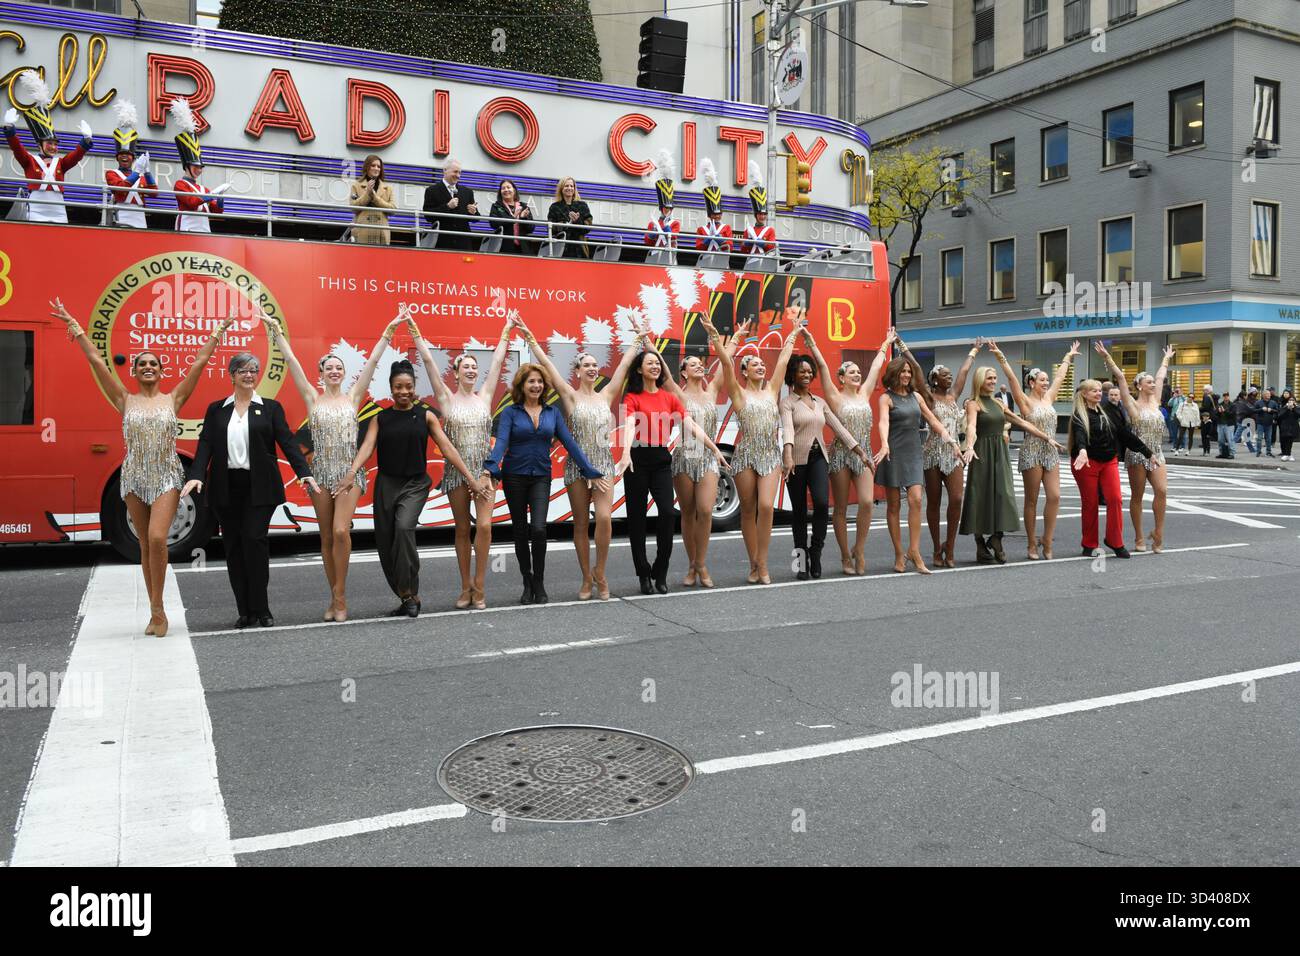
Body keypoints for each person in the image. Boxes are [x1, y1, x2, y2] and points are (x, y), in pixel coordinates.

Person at [50, 299, 231, 637]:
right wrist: (76, 329)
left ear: (162, 372)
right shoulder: (124, 399)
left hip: (166, 477)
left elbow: (200, 363)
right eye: (142, 364)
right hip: (133, 477)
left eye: (153, 364)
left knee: (158, 538)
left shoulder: (174, 399)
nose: (148, 367)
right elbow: (97, 363)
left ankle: (160, 610)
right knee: (145, 546)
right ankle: (154, 611)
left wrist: (218, 332)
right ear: (134, 372)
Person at [259, 306, 405, 622]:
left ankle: (339, 596)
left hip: (350, 475)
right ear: (321, 374)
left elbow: (374, 361)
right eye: (329, 367)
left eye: (339, 367)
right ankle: (336, 597)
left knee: (341, 531)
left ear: (344, 373)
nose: (335, 371)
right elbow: (292, 362)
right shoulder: (313, 399)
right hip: (320, 475)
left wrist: (389, 329)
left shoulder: (353, 397)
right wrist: (276, 332)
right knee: (325, 536)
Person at [184, 351, 318, 629]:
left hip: (260, 488)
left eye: (253, 370)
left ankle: (262, 609)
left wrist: (303, 473)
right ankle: (245, 611)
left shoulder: (270, 408)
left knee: (254, 543)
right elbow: (206, 444)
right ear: (231, 375)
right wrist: (196, 475)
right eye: (243, 370)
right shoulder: (216, 409)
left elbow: (288, 443)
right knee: (233, 548)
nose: (249, 375)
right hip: (225, 488)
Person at [516, 316, 646, 600]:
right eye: (586, 365)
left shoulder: (607, 394)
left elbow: (624, 365)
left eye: (594, 365)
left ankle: (601, 572)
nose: (591, 368)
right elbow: (548, 367)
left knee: (604, 518)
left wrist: (637, 339)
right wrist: (528, 336)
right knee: (580, 524)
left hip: (602, 466)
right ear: (577, 371)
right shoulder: (570, 396)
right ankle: (586, 578)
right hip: (576, 467)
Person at [351, 360, 487, 618]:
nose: (403, 391)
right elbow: (367, 447)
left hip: (414, 484)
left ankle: (409, 591)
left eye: (408, 386)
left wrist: (470, 478)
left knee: (404, 528)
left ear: (414, 388)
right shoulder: (381, 417)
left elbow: (448, 448)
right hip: (386, 485)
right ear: (391, 388)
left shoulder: (425, 416)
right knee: (385, 542)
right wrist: (351, 473)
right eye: (398, 387)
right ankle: (406, 596)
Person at [411, 314, 516, 609]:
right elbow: (430, 364)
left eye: (474, 367)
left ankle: (480, 586)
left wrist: (506, 330)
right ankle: (465, 586)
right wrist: (416, 333)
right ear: (455, 374)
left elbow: (497, 363)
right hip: (457, 474)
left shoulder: (484, 397)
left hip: (485, 474)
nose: (471, 370)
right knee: (460, 529)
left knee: (484, 527)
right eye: (465, 367)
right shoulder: (447, 400)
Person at [485, 364, 603, 605]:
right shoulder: (511, 413)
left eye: (539, 381)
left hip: (541, 476)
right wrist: (491, 466)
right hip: (514, 476)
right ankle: (527, 583)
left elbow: (569, 443)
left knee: (539, 529)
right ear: (522, 386)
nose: (536, 385)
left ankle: (539, 582)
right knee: (520, 530)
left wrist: (589, 469)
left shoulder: (552, 413)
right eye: (531, 381)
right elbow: (502, 443)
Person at [616, 343, 727, 595]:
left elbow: (692, 426)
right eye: (650, 364)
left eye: (657, 363)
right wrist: (624, 454)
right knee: (636, 520)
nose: (655, 366)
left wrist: (714, 448)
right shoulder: (632, 397)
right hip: (636, 458)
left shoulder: (669, 398)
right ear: (640, 370)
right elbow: (630, 425)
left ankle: (660, 570)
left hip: (661, 459)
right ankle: (643, 573)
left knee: (668, 513)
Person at [711, 314, 803, 584]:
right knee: (748, 510)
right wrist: (733, 338)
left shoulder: (773, 389)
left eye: (763, 364)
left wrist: (794, 334)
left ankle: (762, 563)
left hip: (769, 455)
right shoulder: (738, 393)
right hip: (745, 455)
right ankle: (754, 564)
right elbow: (726, 364)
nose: (761, 367)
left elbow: (784, 359)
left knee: (766, 506)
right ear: (745, 371)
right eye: (755, 364)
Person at [779, 330, 869, 579]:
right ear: (793, 375)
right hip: (795, 461)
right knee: (798, 512)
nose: (807, 375)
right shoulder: (788, 402)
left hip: (819, 457)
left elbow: (839, 427)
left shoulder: (819, 401)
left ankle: (815, 553)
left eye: (810, 372)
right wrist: (787, 455)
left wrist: (860, 450)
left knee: (820, 504)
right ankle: (800, 563)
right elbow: (787, 428)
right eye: (802, 371)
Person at [671, 319, 749, 587]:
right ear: (683, 373)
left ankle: (701, 564)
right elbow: (664, 375)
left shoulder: (712, 390)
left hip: (707, 460)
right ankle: (692, 566)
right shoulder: (678, 395)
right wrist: (645, 343)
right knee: (688, 512)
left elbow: (725, 363)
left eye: (700, 364)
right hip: (683, 457)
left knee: (705, 510)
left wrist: (734, 336)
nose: (699, 366)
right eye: (693, 364)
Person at [959, 363, 1064, 564]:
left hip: (1000, 453)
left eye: (994, 378)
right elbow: (971, 426)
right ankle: (980, 544)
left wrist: (1047, 438)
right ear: (980, 380)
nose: (993, 381)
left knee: (1003, 495)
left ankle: (997, 537)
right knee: (980, 496)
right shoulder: (973, 403)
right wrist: (970, 446)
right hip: (982, 452)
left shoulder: (998, 403)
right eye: (989, 378)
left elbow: (1022, 422)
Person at [806, 328, 891, 575]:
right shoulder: (834, 396)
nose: (857, 374)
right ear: (841, 378)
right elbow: (821, 366)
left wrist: (885, 343)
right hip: (841, 455)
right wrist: (811, 342)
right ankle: (845, 556)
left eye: (858, 372)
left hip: (863, 453)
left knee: (866, 502)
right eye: (851, 372)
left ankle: (859, 550)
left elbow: (876, 367)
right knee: (840, 508)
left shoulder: (864, 393)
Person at [987, 339, 1079, 561]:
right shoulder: (1024, 401)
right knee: (1031, 500)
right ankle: (1031, 543)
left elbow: (1060, 377)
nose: (1046, 383)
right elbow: (1010, 378)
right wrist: (1000, 356)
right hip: (1031, 451)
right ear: (1031, 382)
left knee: (1055, 496)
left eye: (1046, 380)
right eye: (1041, 380)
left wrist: (1068, 357)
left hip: (1051, 451)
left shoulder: (1049, 398)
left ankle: (1047, 540)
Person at [874, 353, 964, 574]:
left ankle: (914, 551)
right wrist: (884, 444)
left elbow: (933, 420)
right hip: (893, 453)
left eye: (908, 372)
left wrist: (951, 440)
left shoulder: (916, 396)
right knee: (894, 506)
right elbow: (883, 421)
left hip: (914, 452)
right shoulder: (886, 398)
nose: (906, 375)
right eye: (902, 371)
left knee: (916, 500)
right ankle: (898, 554)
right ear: (894, 374)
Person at [904, 337, 978, 568]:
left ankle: (951, 547)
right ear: (934, 379)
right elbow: (916, 369)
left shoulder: (954, 395)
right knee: (933, 503)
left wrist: (974, 350)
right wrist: (903, 348)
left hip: (954, 453)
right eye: (944, 374)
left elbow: (965, 372)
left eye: (949, 374)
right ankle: (937, 548)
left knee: (956, 499)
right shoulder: (927, 396)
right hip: (932, 453)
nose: (950, 377)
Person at [1096, 342, 1172, 553]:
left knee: (1162, 490)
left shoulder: (1156, 401)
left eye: (1153, 382)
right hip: (1137, 454)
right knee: (1137, 496)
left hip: (1157, 453)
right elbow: (1120, 378)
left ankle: (1158, 533)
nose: (1153, 385)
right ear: (1139, 386)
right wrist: (1107, 357)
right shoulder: (1131, 404)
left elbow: (1161, 376)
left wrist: (1166, 359)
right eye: (1149, 382)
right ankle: (1139, 537)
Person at [1069, 379, 1155, 559]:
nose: (1099, 393)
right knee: (1091, 502)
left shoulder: (1108, 411)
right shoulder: (1079, 414)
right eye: (1094, 391)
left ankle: (1115, 541)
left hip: (1109, 460)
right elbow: (1080, 434)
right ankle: (1089, 544)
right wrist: (1083, 450)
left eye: (1100, 390)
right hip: (1086, 462)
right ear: (1084, 394)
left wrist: (1147, 452)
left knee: (1115, 499)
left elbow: (1124, 434)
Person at [2, 70, 93, 224]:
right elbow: (17, 149)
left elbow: (75, 156)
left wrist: (85, 141)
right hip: (36, 210)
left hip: (58, 210)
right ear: (40, 145)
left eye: (55, 144)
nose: (53, 147)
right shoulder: (29, 161)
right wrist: (10, 131)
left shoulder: (61, 164)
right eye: (49, 143)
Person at [169, 98, 229, 233]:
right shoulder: (180, 184)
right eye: (196, 166)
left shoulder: (204, 189)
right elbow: (191, 202)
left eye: (200, 167)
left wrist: (220, 197)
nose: (199, 170)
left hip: (203, 228)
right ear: (187, 165)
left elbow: (217, 211)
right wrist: (213, 194)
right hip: (186, 227)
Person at [105, 100, 155, 229]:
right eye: (121, 154)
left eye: (128, 154)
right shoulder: (111, 174)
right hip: (122, 218)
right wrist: (137, 172)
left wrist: (148, 172)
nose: (124, 156)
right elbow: (121, 189)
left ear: (133, 158)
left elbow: (154, 193)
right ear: (117, 157)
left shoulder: (141, 177)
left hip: (141, 220)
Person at [422, 158, 479, 251]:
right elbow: (428, 216)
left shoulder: (467, 192)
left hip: (463, 243)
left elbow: (476, 219)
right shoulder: (432, 190)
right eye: (455, 172)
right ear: (445, 171)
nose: (458, 176)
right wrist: (447, 207)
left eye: (460, 173)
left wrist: (473, 212)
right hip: (442, 242)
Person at [349, 154, 396, 246]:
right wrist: (367, 195)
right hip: (362, 231)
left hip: (381, 233)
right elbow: (353, 208)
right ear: (367, 167)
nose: (376, 168)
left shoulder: (388, 188)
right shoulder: (356, 185)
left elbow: (393, 209)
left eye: (379, 166)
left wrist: (375, 198)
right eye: (373, 165)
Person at [643, 150, 680, 257]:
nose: (667, 210)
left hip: (669, 256)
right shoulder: (652, 223)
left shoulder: (675, 223)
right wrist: (651, 234)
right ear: (661, 208)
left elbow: (674, 237)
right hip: (655, 256)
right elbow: (647, 242)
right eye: (665, 207)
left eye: (669, 208)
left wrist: (668, 231)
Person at [546, 176, 593, 259]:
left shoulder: (582, 205)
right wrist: (566, 224)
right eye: (566, 186)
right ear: (561, 188)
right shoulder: (554, 207)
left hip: (580, 249)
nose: (569, 188)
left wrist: (577, 221)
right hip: (561, 250)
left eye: (571, 186)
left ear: (574, 189)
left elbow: (588, 227)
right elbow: (550, 229)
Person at [738, 161, 776, 258]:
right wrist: (746, 244)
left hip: (764, 262)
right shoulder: (748, 230)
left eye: (764, 214)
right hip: (750, 261)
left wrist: (764, 244)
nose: (762, 216)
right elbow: (743, 250)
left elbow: (772, 249)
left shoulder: (770, 230)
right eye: (760, 214)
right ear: (756, 215)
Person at [694, 158, 732, 255]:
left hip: (721, 260)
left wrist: (722, 242)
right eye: (714, 214)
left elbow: (730, 246)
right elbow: (698, 248)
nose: (717, 216)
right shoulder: (701, 229)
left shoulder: (726, 228)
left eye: (718, 214)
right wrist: (706, 242)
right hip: (706, 260)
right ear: (709, 215)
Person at [489, 180, 536, 255]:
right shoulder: (496, 206)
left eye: (508, 187)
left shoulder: (524, 206)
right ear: (500, 192)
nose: (506, 190)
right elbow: (493, 224)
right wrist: (513, 217)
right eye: (503, 188)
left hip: (523, 248)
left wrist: (523, 218)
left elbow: (531, 229)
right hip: (503, 247)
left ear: (514, 190)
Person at [1254, 388, 1279, 458]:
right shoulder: (1258, 402)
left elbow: (1277, 411)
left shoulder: (1273, 402)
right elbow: (1254, 410)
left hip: (1269, 423)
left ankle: (1268, 452)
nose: (1269, 395)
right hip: (1260, 423)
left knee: (1268, 438)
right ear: (1263, 395)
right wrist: (1261, 409)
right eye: (1267, 394)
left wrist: (1271, 410)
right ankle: (1258, 451)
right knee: (1259, 438)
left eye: (1269, 394)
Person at [1175, 388, 1200, 455]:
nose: (1191, 398)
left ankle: (1188, 450)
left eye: (1192, 397)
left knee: (1190, 437)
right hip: (1184, 422)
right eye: (1189, 397)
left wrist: (1197, 423)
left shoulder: (1195, 405)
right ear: (1187, 397)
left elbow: (1197, 414)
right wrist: (1181, 419)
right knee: (1180, 436)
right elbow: (1178, 413)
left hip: (1192, 423)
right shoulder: (1182, 404)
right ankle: (1177, 449)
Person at [1276, 391, 1298, 461]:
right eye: (1290, 401)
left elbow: (1298, 415)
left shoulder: (1297, 408)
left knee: (1290, 441)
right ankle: (1286, 454)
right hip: (1285, 426)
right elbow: (1280, 415)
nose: (1291, 402)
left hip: (1293, 426)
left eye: (1293, 401)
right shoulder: (1284, 407)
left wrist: (1293, 408)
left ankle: (1288, 454)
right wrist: (1287, 409)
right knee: (1285, 440)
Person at [1216, 392, 1236, 458]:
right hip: (1220, 424)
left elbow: (1232, 415)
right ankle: (1222, 453)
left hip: (1229, 424)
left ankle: (1232, 453)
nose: (1226, 397)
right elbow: (1216, 415)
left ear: (1229, 397)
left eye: (1227, 396)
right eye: (1224, 396)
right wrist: (1218, 412)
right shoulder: (1220, 404)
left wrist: (1224, 411)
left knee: (1230, 439)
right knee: (1220, 440)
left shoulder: (1232, 405)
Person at [1199, 385, 1218, 456]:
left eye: (1204, 390)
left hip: (1207, 416)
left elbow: (1205, 407)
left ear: (1208, 391)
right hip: (1212, 415)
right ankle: (1207, 450)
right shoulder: (1213, 396)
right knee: (1208, 434)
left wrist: (1199, 409)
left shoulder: (1207, 397)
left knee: (1205, 435)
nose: (1203, 391)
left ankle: (1206, 450)